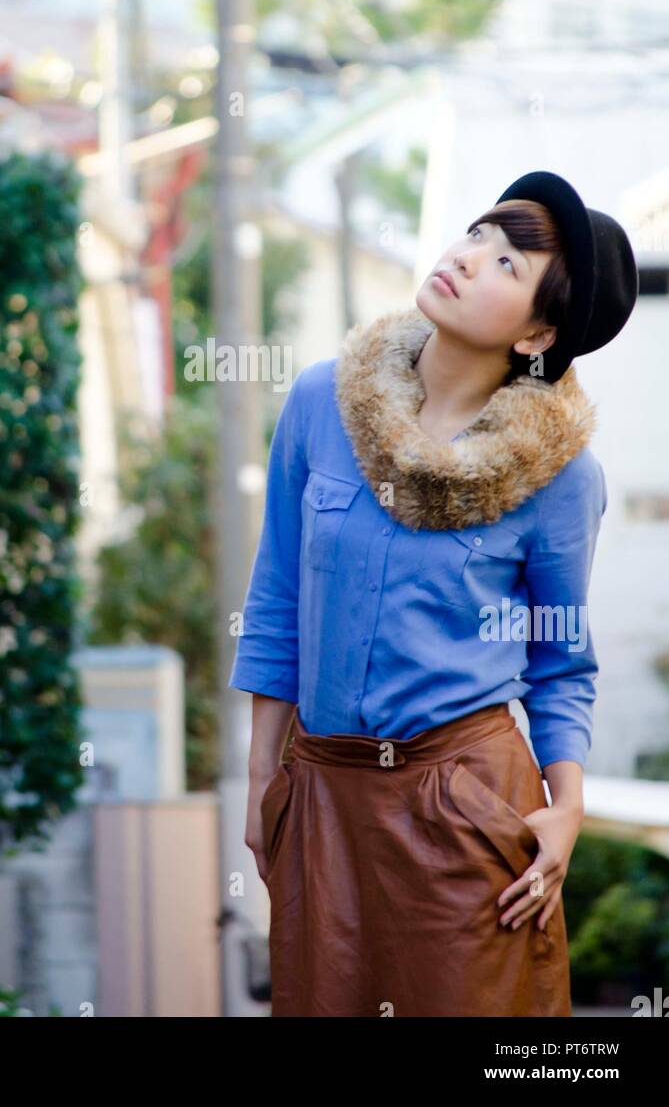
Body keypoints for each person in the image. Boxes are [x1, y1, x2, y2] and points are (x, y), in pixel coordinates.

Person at [228, 170, 639, 1018]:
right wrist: (262, 783)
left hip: (461, 803)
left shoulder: (557, 478)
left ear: (537, 332)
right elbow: (275, 603)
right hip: (321, 796)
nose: (468, 257)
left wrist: (565, 809)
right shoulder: (319, 402)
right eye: (477, 235)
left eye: (506, 263)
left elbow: (560, 661)